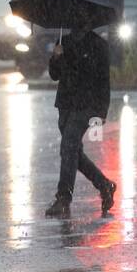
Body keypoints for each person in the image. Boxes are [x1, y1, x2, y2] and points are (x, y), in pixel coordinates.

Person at [45, 23, 116, 218]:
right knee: (72, 152)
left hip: (87, 106)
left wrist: (102, 111)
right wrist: (56, 57)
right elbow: (54, 75)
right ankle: (105, 185)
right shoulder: (63, 41)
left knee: (68, 148)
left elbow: (104, 80)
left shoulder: (98, 45)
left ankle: (63, 198)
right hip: (65, 104)